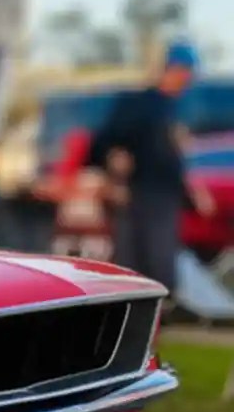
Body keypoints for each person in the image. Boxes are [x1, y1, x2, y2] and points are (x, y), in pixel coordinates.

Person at [89, 40, 217, 297]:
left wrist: (194, 193)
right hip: (135, 194)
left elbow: (173, 160)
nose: (186, 80)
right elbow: (104, 144)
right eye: (184, 73)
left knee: (161, 263)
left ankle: (159, 316)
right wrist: (114, 176)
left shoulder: (174, 110)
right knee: (133, 263)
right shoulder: (139, 103)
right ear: (171, 69)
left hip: (164, 198)